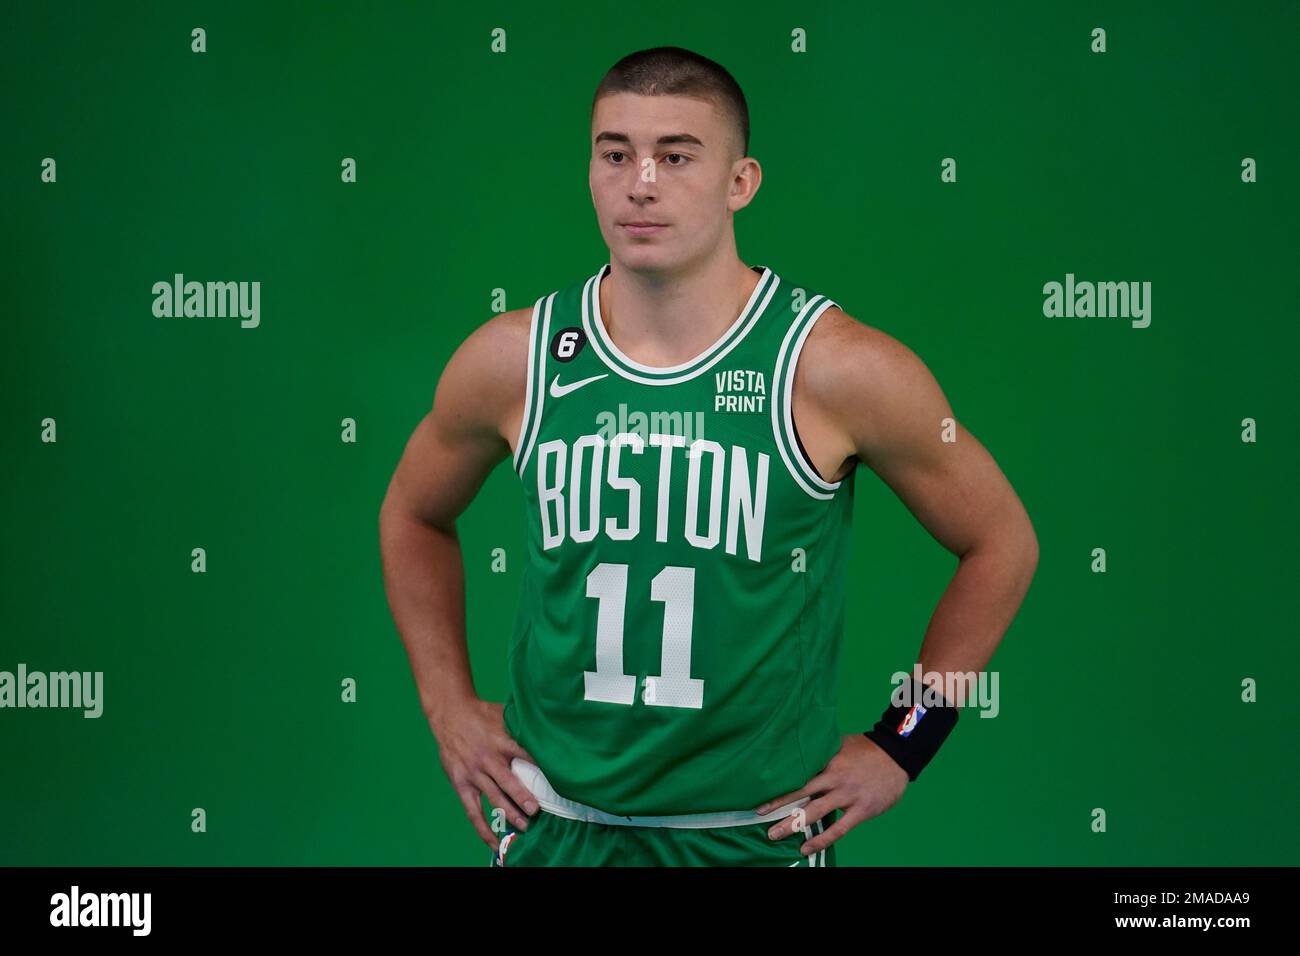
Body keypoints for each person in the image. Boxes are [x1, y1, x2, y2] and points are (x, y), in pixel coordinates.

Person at [379, 46, 1038, 867]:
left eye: (677, 156)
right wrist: (445, 704)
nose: (641, 182)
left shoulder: (832, 368)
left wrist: (905, 743)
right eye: (615, 153)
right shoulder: (518, 358)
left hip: (748, 839)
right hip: (557, 829)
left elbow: (1003, 543)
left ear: (741, 183)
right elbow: (412, 515)